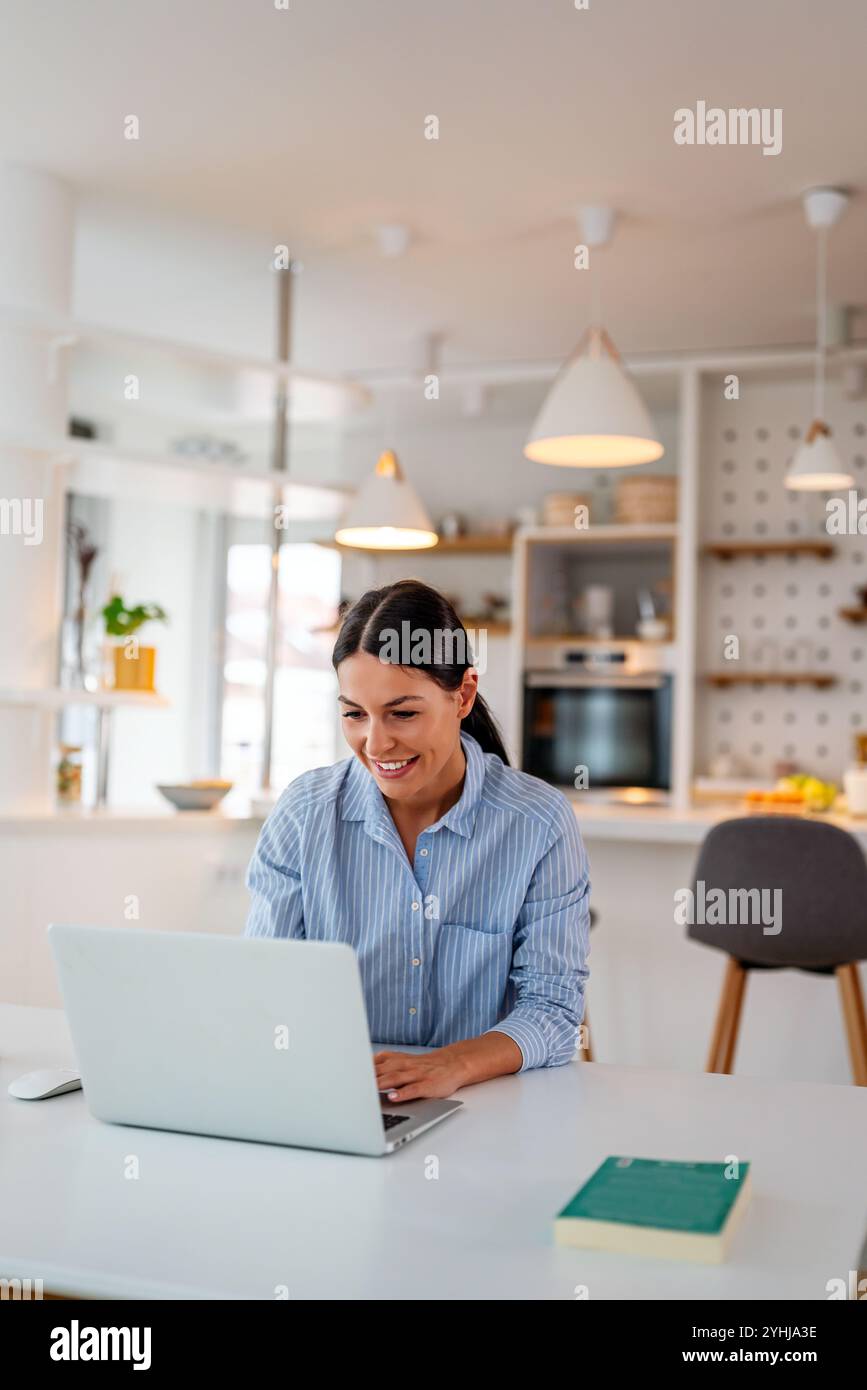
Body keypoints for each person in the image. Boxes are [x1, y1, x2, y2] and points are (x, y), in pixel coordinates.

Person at [245, 578, 590, 1102]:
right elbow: (267, 988)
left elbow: (554, 1013)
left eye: (403, 713)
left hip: (484, 1102)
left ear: (464, 695)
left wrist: (449, 1067)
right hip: (336, 1097)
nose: (376, 743)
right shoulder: (305, 813)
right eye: (354, 714)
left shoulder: (537, 822)